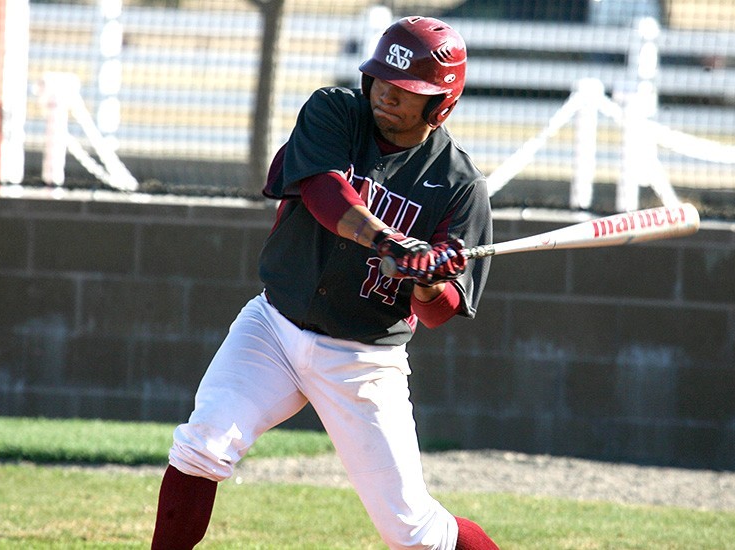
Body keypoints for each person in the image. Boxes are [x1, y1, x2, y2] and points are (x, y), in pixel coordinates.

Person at [151, 15, 497, 550]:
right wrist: (392, 243)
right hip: (273, 325)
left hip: (362, 360)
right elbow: (323, 191)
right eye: (384, 78)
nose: (389, 93)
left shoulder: (459, 185)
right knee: (203, 445)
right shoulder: (334, 112)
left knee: (413, 532)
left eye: (409, 90)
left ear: (442, 104)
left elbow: (439, 310)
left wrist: (428, 280)